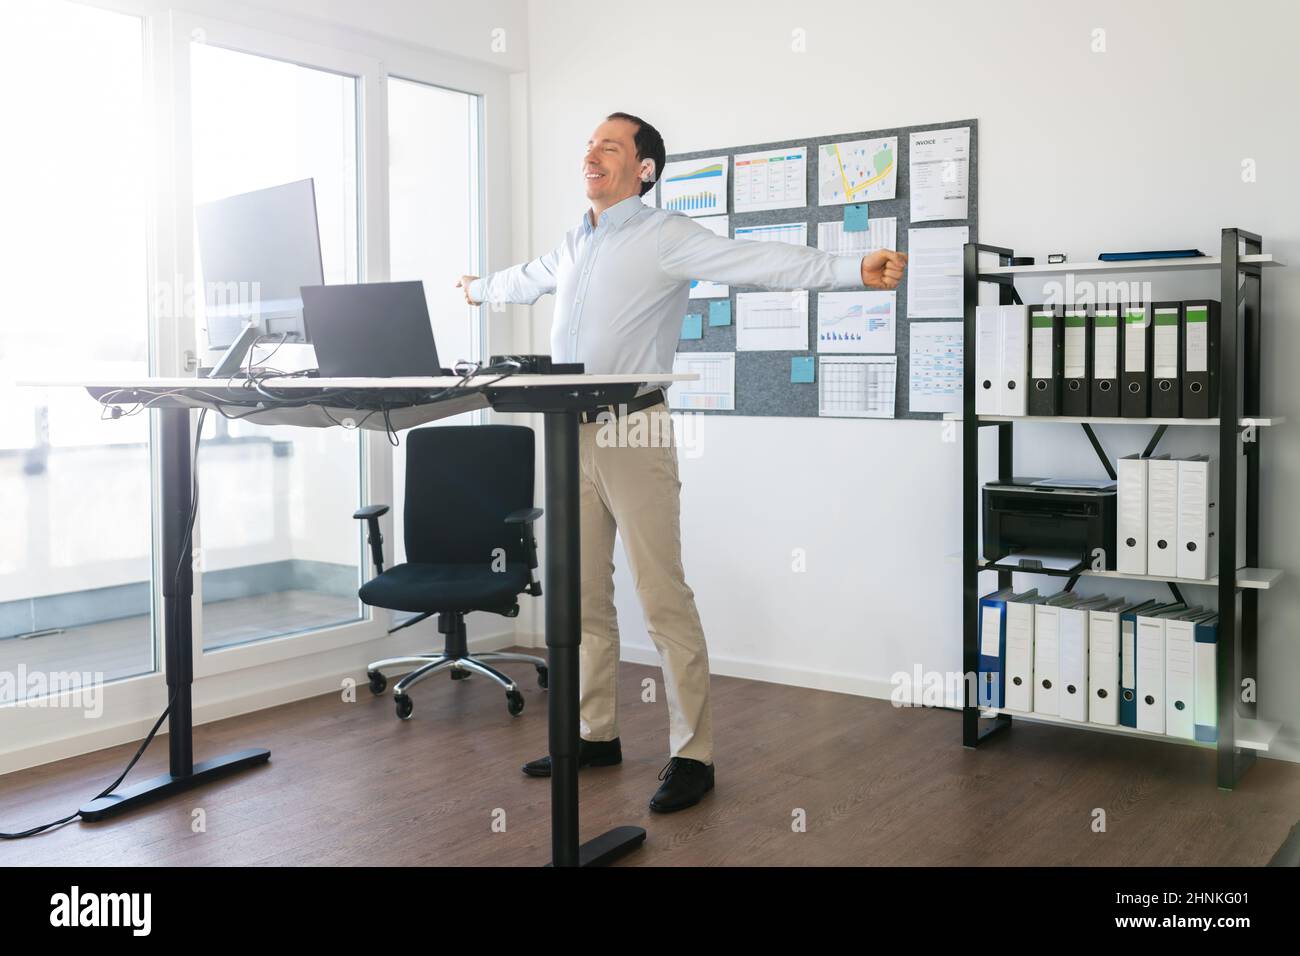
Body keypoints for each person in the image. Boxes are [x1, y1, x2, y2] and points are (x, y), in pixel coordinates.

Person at [458, 111, 906, 813]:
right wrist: (479, 288)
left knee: (662, 596)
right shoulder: (575, 242)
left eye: (610, 145)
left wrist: (854, 266)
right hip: (566, 434)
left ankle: (693, 753)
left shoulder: (665, 236)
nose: (592, 154)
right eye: (589, 144)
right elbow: (524, 279)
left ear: (644, 169)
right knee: (581, 596)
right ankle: (593, 734)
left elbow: (762, 263)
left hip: (634, 432)